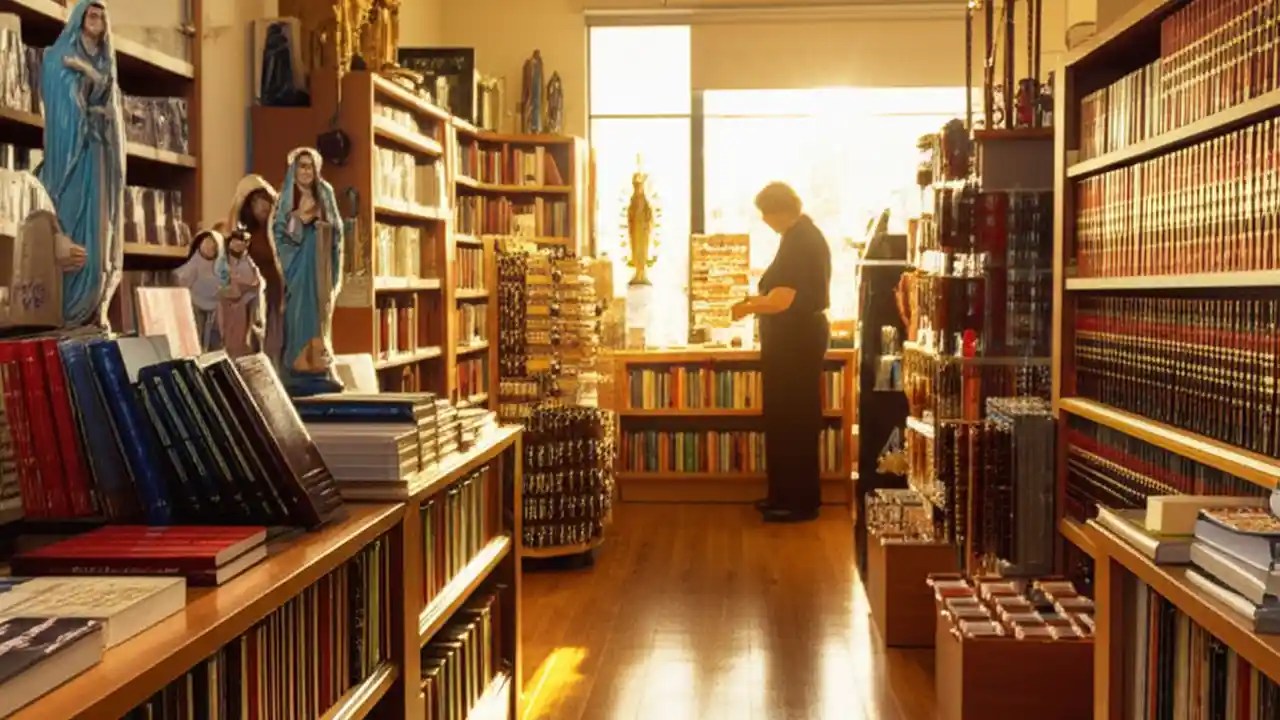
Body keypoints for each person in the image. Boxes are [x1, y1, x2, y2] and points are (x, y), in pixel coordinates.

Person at [732, 182, 831, 523]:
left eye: (766, 213)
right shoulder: (798, 237)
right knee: (785, 417)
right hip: (793, 341)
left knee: (793, 418)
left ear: (780, 210)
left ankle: (797, 501)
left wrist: (746, 307)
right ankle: (784, 494)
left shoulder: (801, 241)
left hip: (796, 342)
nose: (764, 220)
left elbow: (784, 299)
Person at [38, 0, 124, 327]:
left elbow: (108, 97)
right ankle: (67, 309)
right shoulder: (58, 56)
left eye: (102, 16)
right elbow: (60, 95)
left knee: (98, 233)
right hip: (69, 156)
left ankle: (92, 305)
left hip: (99, 154)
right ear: (80, 18)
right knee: (69, 218)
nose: (97, 20)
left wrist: (88, 71)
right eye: (91, 14)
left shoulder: (104, 60)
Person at [270, 147, 344, 395]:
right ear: (294, 169)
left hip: (320, 261)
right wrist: (298, 220)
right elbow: (279, 233)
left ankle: (320, 365)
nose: (305, 171)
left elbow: (337, 227)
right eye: (301, 166)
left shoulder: (325, 192)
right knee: (297, 314)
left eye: (309, 166)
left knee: (320, 314)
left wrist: (324, 223)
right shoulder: (285, 197)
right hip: (296, 266)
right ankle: (297, 366)